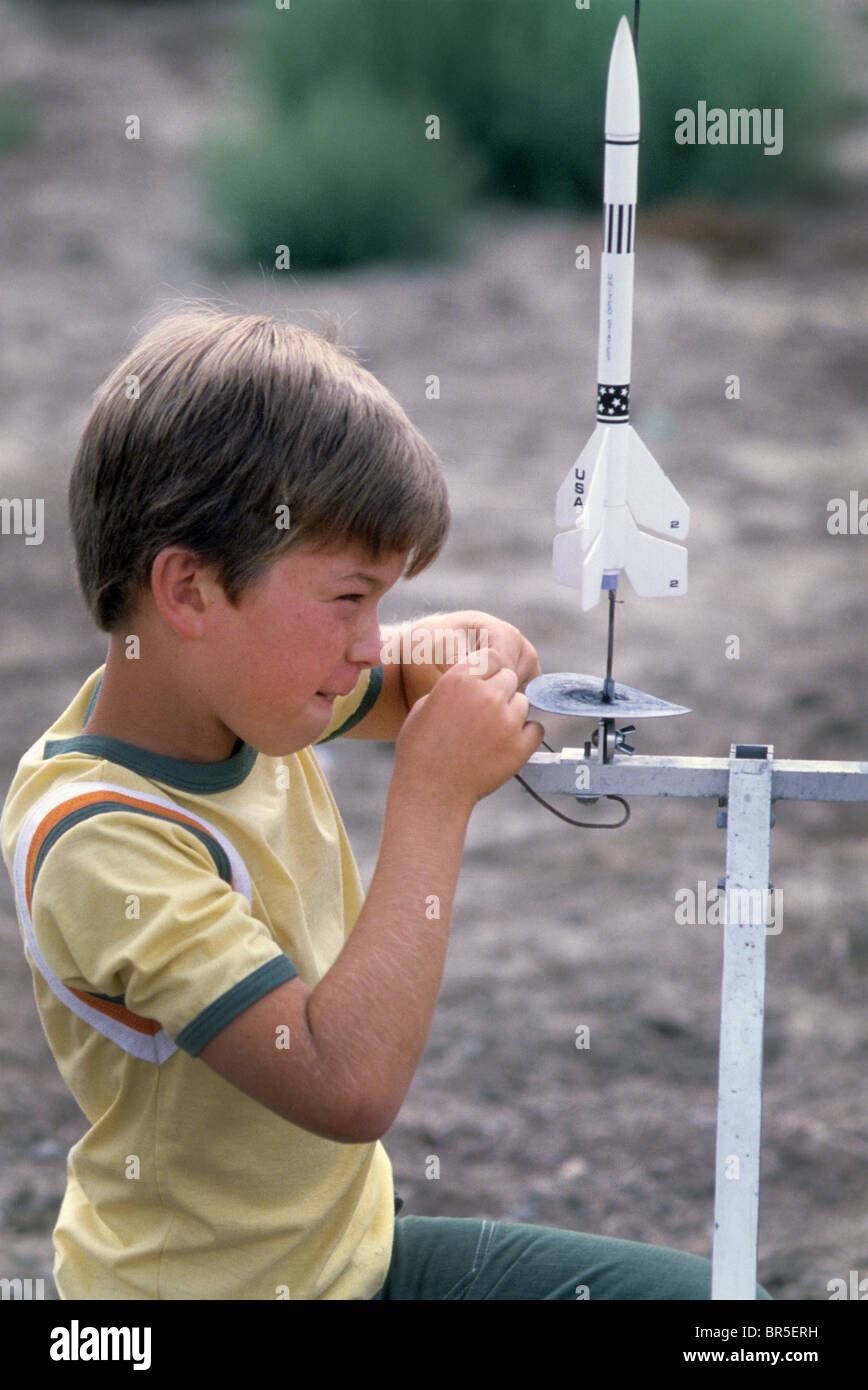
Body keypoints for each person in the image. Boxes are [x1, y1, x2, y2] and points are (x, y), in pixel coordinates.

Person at [1, 307, 760, 1300]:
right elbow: (343, 1082)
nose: (369, 643)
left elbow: (400, 679)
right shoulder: (98, 840)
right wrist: (435, 795)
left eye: (384, 602)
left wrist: (467, 645)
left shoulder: (245, 696)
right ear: (187, 590)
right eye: (349, 598)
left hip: (352, 1264)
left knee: (725, 1317)